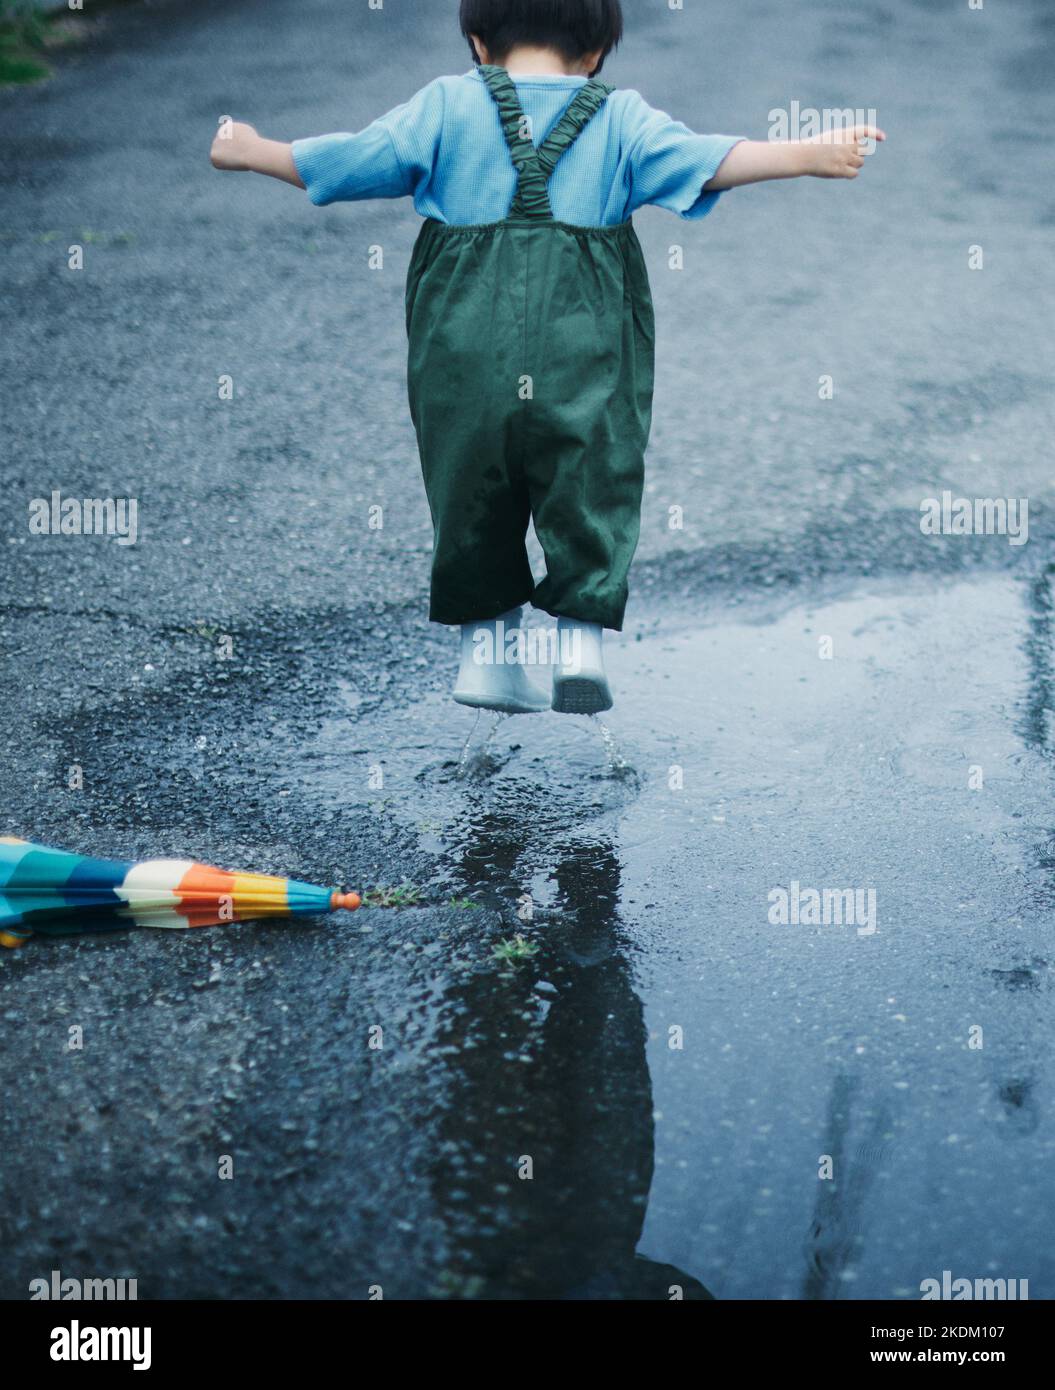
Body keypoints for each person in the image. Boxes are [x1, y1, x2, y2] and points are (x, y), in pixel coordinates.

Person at [210, 0, 883, 714]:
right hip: (583, 339)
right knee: (592, 472)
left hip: (463, 342)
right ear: (595, 53)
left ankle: (486, 660)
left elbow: (352, 161)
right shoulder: (620, 116)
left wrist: (255, 149)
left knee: (471, 481)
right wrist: (801, 155)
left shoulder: (445, 105)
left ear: (477, 41)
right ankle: (579, 645)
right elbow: (706, 159)